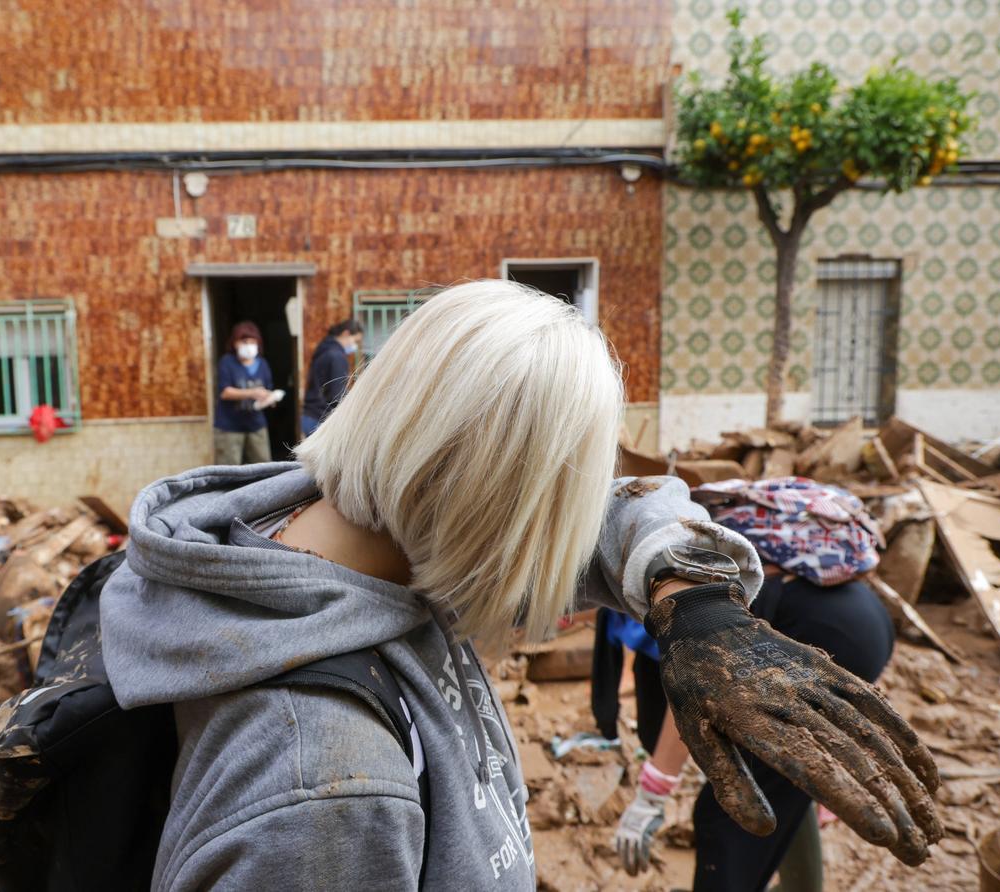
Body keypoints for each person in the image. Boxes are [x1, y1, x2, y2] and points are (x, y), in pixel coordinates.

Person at [98, 282, 939, 890]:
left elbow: (624, 510)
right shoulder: (330, 791)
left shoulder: (337, 529)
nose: (568, 542)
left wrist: (696, 598)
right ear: (504, 509)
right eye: (555, 507)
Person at [596, 477, 900, 892]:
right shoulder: (653, 553)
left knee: (730, 813)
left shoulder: (661, 588)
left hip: (831, 639)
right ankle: (802, 885)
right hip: (858, 619)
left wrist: (652, 793)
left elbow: (691, 699)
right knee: (788, 774)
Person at [214, 321, 274, 465]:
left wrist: (270, 399)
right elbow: (225, 392)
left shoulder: (263, 364)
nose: (249, 346)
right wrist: (252, 393)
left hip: (256, 425)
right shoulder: (227, 362)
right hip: (230, 426)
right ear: (235, 343)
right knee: (228, 469)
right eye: (244, 341)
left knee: (263, 466)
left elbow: (267, 389)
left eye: (253, 342)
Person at [301, 318, 363, 436]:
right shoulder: (337, 357)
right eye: (356, 341)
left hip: (310, 415)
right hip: (321, 419)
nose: (355, 346)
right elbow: (337, 395)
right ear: (346, 334)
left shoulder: (324, 349)